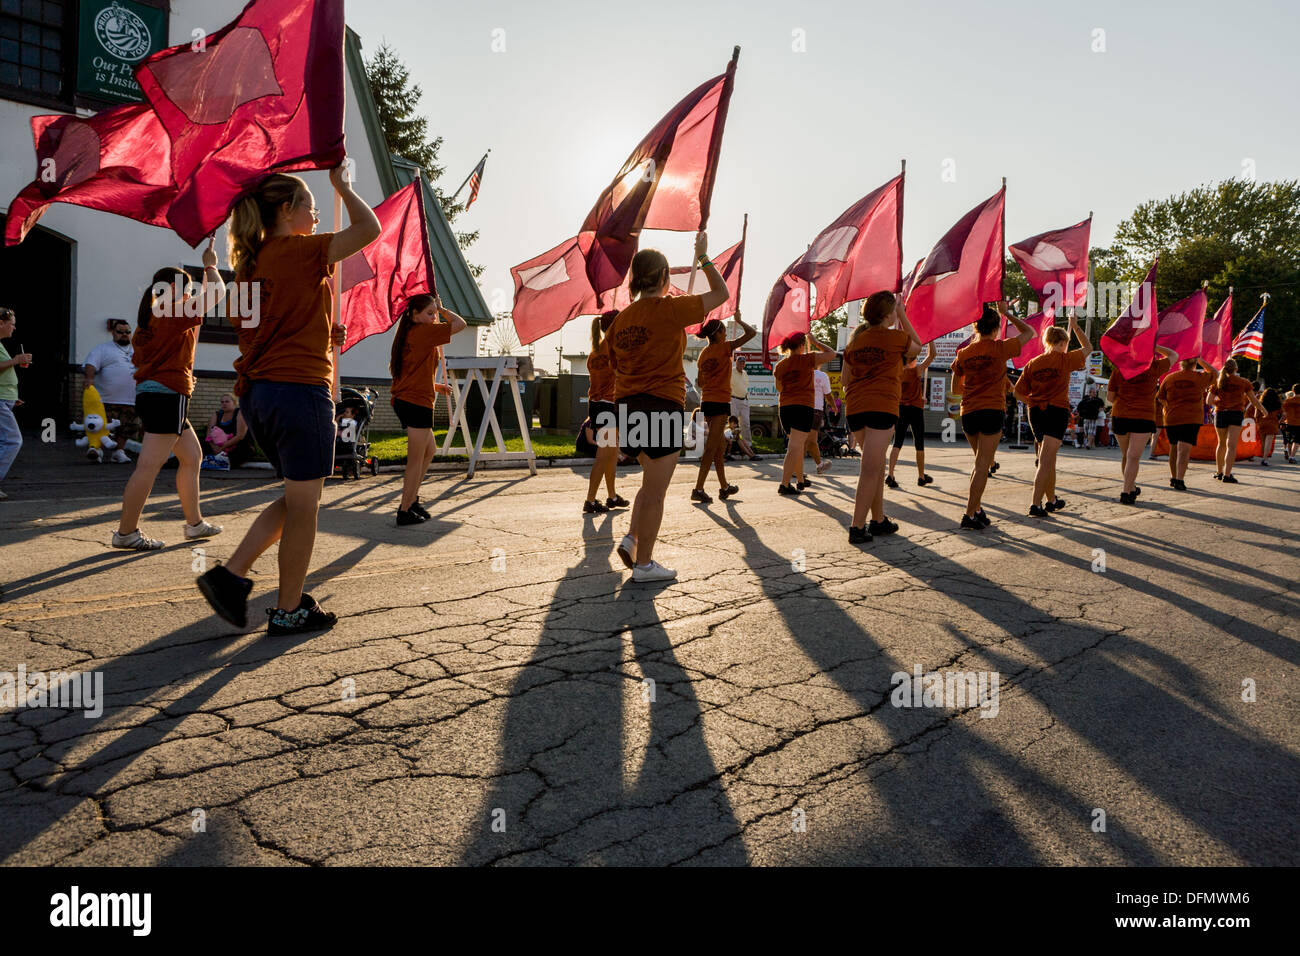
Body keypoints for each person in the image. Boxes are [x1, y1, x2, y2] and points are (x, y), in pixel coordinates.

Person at [195, 164, 381, 635]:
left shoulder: (248, 266)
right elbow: (369, 229)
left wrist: (320, 330)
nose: (317, 217)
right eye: (311, 208)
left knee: (299, 497)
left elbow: (260, 329)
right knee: (305, 506)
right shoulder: (299, 251)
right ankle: (287, 606)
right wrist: (344, 186)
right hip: (299, 391)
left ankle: (232, 577)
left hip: (261, 394)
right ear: (286, 210)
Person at [607, 234, 729, 582]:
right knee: (657, 491)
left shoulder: (621, 319)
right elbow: (721, 295)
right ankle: (644, 564)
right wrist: (704, 258)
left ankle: (632, 540)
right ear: (664, 277)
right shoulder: (670, 308)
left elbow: (611, 361)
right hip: (661, 403)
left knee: (650, 481)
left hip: (627, 406)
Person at [114, 259, 225, 550]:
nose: (191, 296)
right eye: (188, 290)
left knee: (192, 457)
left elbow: (143, 360)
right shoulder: (173, 310)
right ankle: (126, 533)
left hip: (153, 394)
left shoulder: (148, 320)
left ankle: (195, 524)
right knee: (149, 465)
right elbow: (217, 293)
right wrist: (212, 268)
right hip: (168, 395)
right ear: (174, 289)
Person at [841, 291, 921, 543]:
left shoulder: (854, 342)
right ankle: (857, 527)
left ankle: (878, 520)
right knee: (870, 469)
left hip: (855, 407)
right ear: (889, 315)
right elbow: (918, 346)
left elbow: (844, 380)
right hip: (882, 405)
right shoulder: (896, 337)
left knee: (875, 466)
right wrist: (904, 316)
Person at [950, 303, 1034, 529]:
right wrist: (1007, 313)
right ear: (997, 328)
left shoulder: (963, 353)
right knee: (981, 466)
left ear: (976, 328)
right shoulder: (1000, 349)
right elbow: (1030, 333)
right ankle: (969, 514)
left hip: (968, 412)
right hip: (991, 410)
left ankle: (976, 509)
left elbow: (956, 389)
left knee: (981, 464)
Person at [390, 292, 465, 524]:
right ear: (414, 315)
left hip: (410, 398)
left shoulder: (411, 333)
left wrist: (437, 386)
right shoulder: (423, 332)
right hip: (416, 402)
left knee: (429, 450)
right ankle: (404, 510)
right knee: (415, 459)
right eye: (429, 314)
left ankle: (412, 499)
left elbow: (412, 373)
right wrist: (443, 309)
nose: (434, 318)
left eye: (435, 314)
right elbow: (460, 324)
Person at [1012, 315, 1088, 517]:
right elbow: (1088, 348)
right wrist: (1076, 327)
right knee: (1046, 460)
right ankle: (1035, 504)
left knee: (1047, 458)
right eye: (1066, 343)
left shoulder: (1033, 363)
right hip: (1056, 411)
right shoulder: (1065, 358)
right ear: (1063, 342)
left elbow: (1017, 392)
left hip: (1035, 412)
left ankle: (1051, 499)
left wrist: (1031, 402)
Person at [691, 312, 756, 503]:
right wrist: (739, 320)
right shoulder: (725, 348)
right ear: (718, 333)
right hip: (720, 402)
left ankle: (724, 487)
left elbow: (701, 382)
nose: (726, 333)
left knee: (719, 447)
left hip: (707, 401)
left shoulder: (703, 354)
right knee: (712, 448)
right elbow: (751, 333)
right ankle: (698, 489)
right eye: (724, 330)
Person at [1107, 345, 1178, 504]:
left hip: (1121, 415)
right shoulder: (1153, 367)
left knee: (1127, 455)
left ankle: (1130, 487)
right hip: (1143, 416)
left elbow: (1110, 398)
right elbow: (1174, 354)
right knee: (1133, 457)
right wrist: (1153, 344)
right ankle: (1126, 491)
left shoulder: (1120, 369)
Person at [773, 331, 836, 496]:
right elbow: (832, 354)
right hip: (803, 406)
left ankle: (800, 481)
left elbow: (779, 388)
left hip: (785, 407)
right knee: (794, 447)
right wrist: (815, 341)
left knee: (797, 445)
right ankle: (784, 484)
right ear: (802, 345)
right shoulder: (808, 359)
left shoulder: (780, 365)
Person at [582, 311, 628, 514]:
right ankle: (590, 500)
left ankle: (612, 496)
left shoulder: (594, 352)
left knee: (610, 454)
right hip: (608, 406)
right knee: (604, 455)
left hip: (598, 404)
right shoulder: (615, 350)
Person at [1155, 356, 1216, 490]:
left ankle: (1173, 477)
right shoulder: (1199, 377)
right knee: (1184, 450)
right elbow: (1215, 373)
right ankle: (1179, 479)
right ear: (1194, 365)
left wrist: (1168, 406)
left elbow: (1160, 397)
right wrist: (1200, 359)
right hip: (1191, 417)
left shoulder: (1170, 378)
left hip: (1172, 417)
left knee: (1174, 448)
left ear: (1181, 364)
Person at [83, 318, 139, 463]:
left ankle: (119, 452)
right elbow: (90, 364)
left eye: (127, 332)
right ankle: (96, 449)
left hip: (131, 398)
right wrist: (89, 379)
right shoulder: (103, 349)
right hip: (105, 399)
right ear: (113, 333)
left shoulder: (137, 349)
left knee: (127, 427)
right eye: (120, 332)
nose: (124, 335)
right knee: (101, 426)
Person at [886, 341, 936, 489]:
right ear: (912, 360)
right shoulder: (916, 371)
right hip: (916, 409)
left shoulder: (897, 373)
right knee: (919, 443)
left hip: (901, 408)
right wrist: (931, 339)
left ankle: (890, 474)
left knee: (897, 442)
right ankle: (921, 476)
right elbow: (932, 355)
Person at [1207, 358, 1264, 484]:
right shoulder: (1243, 382)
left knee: (1221, 444)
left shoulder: (1218, 382)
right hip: (1236, 414)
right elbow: (1254, 400)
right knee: (1231, 446)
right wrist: (1263, 410)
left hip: (1221, 413)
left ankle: (1219, 472)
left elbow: (1208, 401)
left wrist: (1220, 402)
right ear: (1236, 369)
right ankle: (1227, 475)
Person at [0, 307, 31, 501]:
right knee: (13, 440)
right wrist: (15, 360)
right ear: (1, 323)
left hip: (5, 399)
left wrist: (12, 397)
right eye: (12, 323)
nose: (14, 327)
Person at [205, 393, 255, 469]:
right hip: (219, 446)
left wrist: (221, 448)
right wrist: (214, 448)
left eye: (227, 401)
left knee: (241, 451)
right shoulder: (217, 414)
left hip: (239, 445)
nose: (224, 404)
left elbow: (240, 436)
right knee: (201, 448)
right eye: (222, 402)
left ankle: (220, 462)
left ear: (234, 403)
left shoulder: (240, 413)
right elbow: (209, 434)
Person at [803, 365, 834, 477]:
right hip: (815, 410)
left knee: (811, 440)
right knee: (807, 441)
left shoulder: (802, 373)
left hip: (802, 407)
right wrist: (834, 407)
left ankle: (820, 465)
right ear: (819, 363)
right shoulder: (822, 375)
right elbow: (828, 395)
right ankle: (796, 469)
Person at [730, 353, 758, 457]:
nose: (741, 364)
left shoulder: (745, 373)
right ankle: (733, 444)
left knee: (746, 423)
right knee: (733, 424)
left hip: (744, 400)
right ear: (736, 362)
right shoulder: (731, 372)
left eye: (743, 363)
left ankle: (748, 445)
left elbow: (745, 386)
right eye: (739, 362)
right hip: (733, 399)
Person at [1255, 385, 1282, 465]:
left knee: (1263, 441)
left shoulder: (1260, 403)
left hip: (1262, 423)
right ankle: (1265, 459)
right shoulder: (1277, 403)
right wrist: (1279, 421)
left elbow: (1255, 415)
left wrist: (1258, 422)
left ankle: (1263, 456)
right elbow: (1284, 414)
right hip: (1272, 423)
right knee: (1269, 441)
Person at [1281, 384, 1300, 465]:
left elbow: (1284, 413)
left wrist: (1281, 421)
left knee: (1289, 440)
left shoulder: (1288, 401)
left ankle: (1289, 456)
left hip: (1289, 422)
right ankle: (1292, 457)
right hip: (1299, 423)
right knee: (1297, 440)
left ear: (1293, 391)